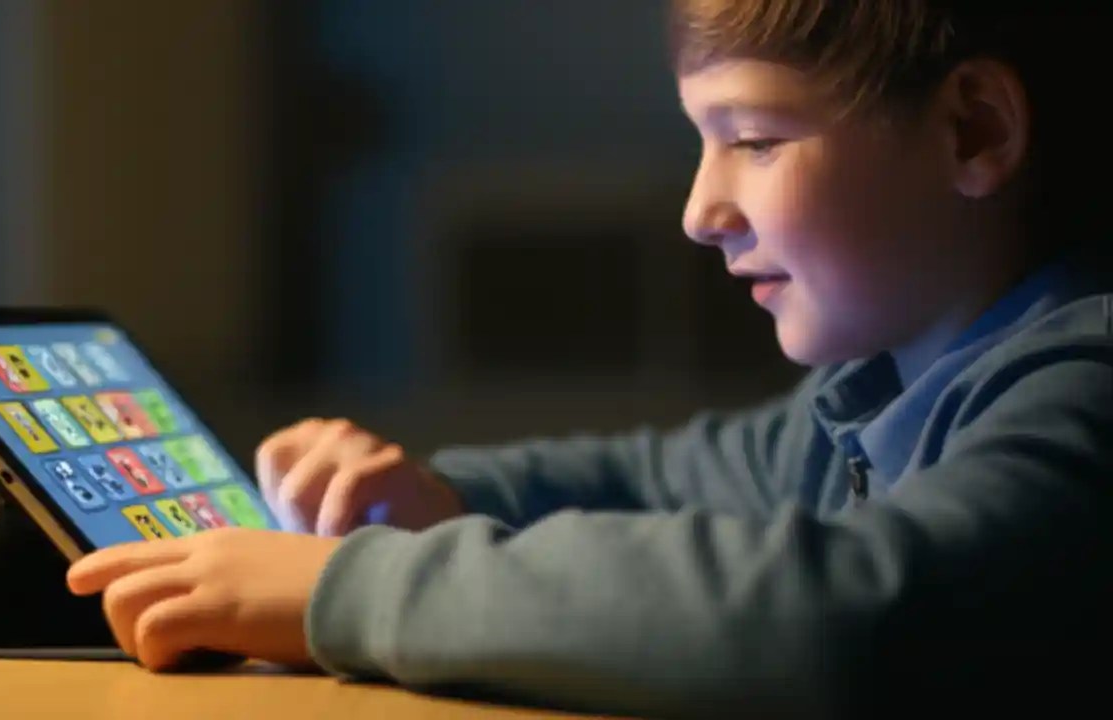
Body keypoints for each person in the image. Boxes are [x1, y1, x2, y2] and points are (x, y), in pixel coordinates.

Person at [65, 2, 1113, 716]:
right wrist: (431, 499)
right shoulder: (883, 385)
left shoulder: (1085, 384)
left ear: (972, 131)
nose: (700, 210)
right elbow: (657, 481)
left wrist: (351, 592)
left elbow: (848, 616)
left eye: (753, 139)